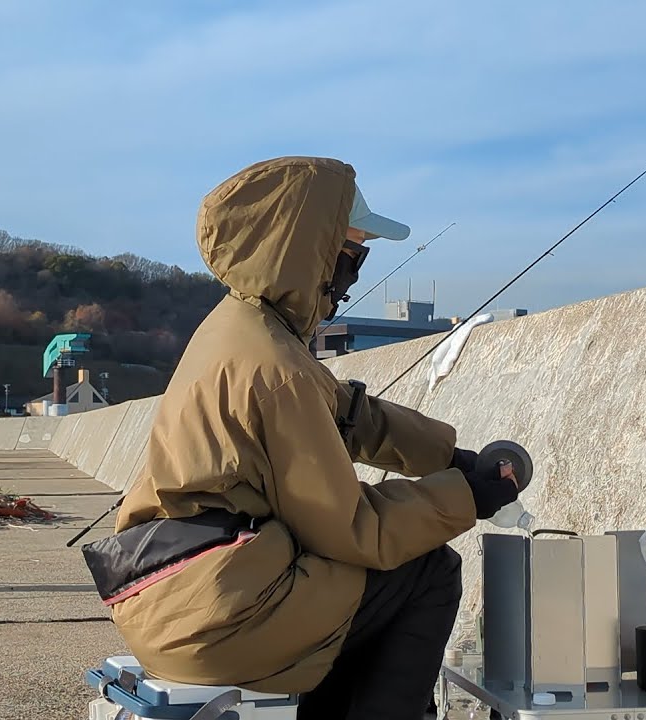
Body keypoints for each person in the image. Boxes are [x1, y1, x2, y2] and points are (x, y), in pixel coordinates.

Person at [81, 156, 520, 719]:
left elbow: (347, 414)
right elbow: (357, 531)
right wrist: (467, 496)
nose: (355, 268)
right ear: (308, 248)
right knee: (425, 571)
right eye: (352, 249)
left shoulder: (240, 329)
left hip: (172, 597)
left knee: (345, 589)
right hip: (220, 618)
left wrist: (449, 456)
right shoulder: (276, 367)